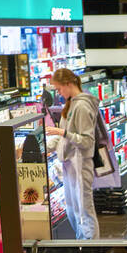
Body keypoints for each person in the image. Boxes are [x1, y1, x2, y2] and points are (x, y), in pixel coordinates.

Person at [45, 68, 100, 239]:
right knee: (74, 210)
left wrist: (62, 133)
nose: (59, 94)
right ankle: (83, 246)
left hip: (81, 164)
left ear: (68, 84)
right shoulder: (71, 104)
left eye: (59, 89)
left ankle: (92, 251)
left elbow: (87, 141)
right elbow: (64, 134)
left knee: (84, 211)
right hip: (71, 164)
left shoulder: (82, 106)